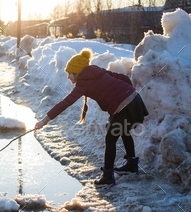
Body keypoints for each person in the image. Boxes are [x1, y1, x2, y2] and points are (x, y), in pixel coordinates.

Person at [34, 49, 148, 186]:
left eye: (69, 73)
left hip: (124, 105)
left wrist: (44, 121)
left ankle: (108, 177)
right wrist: (127, 92)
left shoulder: (83, 83)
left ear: (76, 72)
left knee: (110, 139)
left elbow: (66, 102)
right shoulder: (96, 70)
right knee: (123, 131)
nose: (68, 77)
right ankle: (131, 164)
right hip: (134, 98)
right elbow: (123, 78)